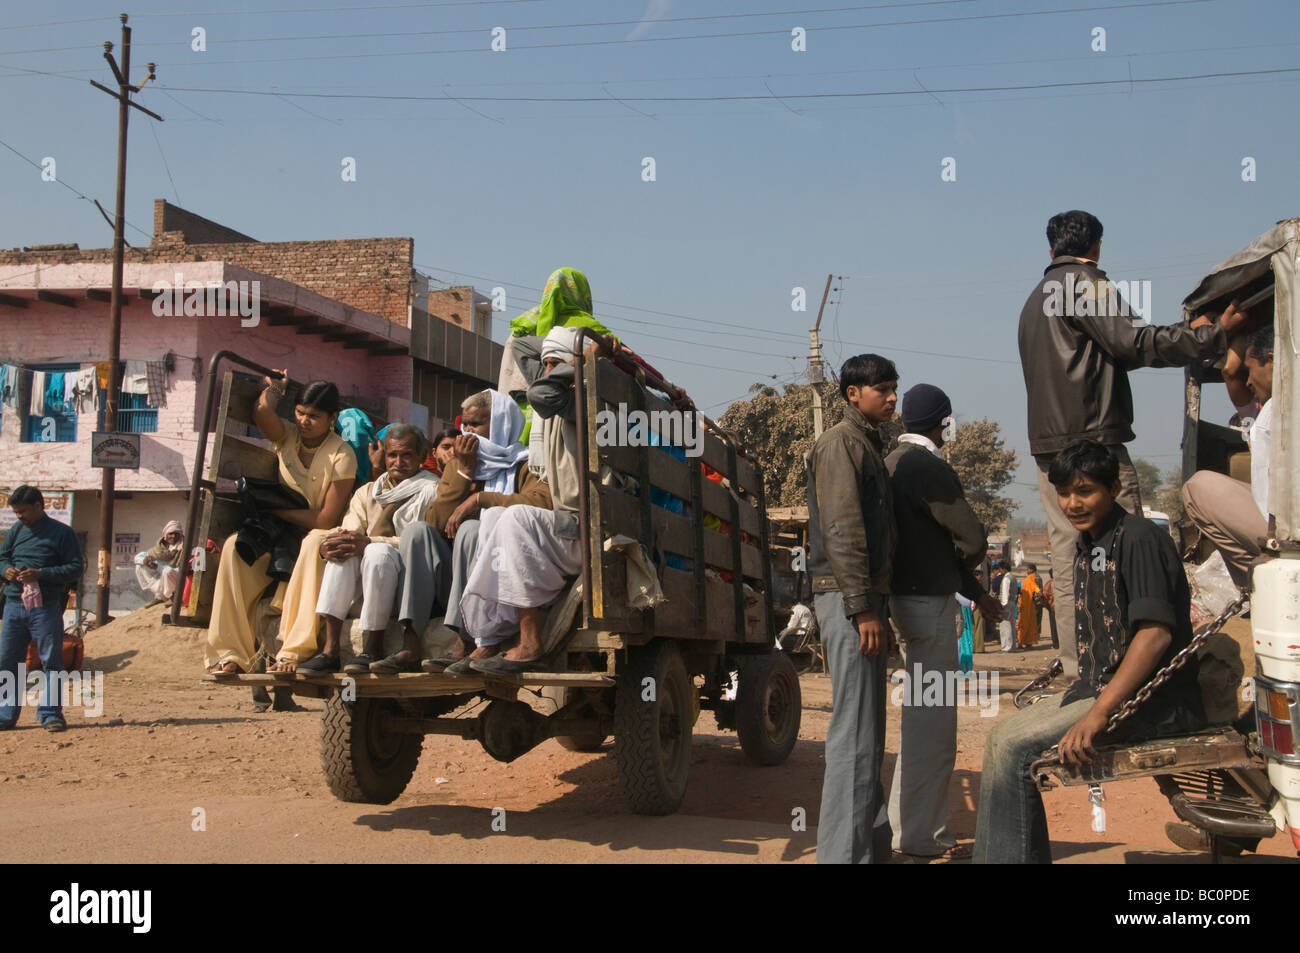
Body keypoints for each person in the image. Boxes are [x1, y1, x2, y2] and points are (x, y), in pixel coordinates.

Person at [1019, 210, 1248, 676]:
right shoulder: (1084, 285)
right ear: (1098, 246)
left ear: (1050, 251)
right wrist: (1210, 335)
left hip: (1049, 451)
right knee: (1129, 550)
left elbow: (1112, 350)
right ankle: (1132, 670)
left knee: (1069, 564)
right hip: (1094, 447)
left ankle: (1080, 669)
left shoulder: (1033, 302)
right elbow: (1135, 343)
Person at [973, 441, 1205, 863]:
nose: (1072, 503)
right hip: (1095, 690)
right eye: (1064, 492)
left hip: (1148, 703)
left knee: (1014, 750)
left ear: (1114, 488)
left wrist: (1098, 715)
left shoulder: (1139, 540)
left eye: (1085, 491)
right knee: (999, 736)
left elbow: (1154, 636)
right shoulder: (1089, 543)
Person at [884, 382, 1001, 859]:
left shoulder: (890, 464)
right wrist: (965, 574)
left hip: (898, 603)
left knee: (918, 721)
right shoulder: (929, 467)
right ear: (944, 422)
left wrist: (973, 592)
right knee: (933, 729)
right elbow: (971, 540)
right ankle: (920, 837)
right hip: (930, 608)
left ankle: (905, 830)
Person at [806, 354, 899, 864]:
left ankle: (871, 848)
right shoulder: (841, 443)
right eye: (881, 389)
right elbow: (842, 529)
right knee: (856, 736)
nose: (891, 397)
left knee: (867, 731)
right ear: (851, 394)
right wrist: (863, 608)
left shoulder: (864, 443)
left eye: (893, 388)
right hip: (849, 601)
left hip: (859, 600)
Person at [455, 327, 590, 675]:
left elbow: (543, 390)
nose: (546, 371)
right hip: (562, 526)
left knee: (514, 517)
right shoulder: (558, 394)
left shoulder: (581, 399)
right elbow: (519, 346)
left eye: (555, 364)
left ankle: (530, 642)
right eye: (544, 364)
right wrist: (571, 351)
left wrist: (585, 362)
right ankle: (488, 637)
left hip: (582, 528)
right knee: (495, 519)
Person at [205, 374, 356, 676]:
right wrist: (275, 389)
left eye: (314, 416)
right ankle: (232, 654)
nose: (304, 421)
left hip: (314, 537)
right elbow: (262, 413)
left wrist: (276, 511)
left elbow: (325, 518)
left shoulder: (342, 454)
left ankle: (293, 651)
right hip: (279, 535)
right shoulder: (286, 435)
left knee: (317, 540)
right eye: (300, 412)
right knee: (236, 547)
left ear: (332, 418)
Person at [297, 425, 441, 675]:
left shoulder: (431, 490)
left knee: (378, 553)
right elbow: (352, 531)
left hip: (407, 584)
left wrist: (371, 542)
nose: (398, 462)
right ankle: (330, 649)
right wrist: (337, 543)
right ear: (384, 456)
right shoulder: (368, 491)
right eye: (392, 455)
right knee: (344, 553)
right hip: (364, 583)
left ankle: (373, 646)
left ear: (421, 456)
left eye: (406, 455)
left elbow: (421, 542)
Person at [1182, 322, 1274, 590]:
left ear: (1271, 361)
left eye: (1251, 370)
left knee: (1197, 488)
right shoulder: (1264, 411)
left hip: (1287, 529)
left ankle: (1262, 584)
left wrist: (1224, 328)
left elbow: (1230, 371)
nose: (1247, 380)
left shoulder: (1269, 413)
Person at [0, 486, 83, 732]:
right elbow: (2, 558)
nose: (19, 516)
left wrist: (42, 574)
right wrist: (6, 570)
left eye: (23, 511)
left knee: (51, 661)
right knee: (7, 662)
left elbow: (75, 568)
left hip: (45, 607)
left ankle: (50, 714)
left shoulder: (62, 534)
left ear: (39, 506)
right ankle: (5, 715)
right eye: (15, 512)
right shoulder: (16, 531)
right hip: (14, 606)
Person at [135, 520, 184, 604]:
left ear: (180, 535)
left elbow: (179, 569)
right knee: (140, 566)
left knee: (167, 571)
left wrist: (158, 567)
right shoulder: (160, 548)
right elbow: (138, 557)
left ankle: (171, 596)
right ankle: (159, 595)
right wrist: (146, 561)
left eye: (176, 534)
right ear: (165, 535)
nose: (173, 536)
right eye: (171, 533)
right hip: (162, 578)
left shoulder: (183, 547)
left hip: (177, 579)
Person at [995, 561, 1019, 652]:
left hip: (1006, 604)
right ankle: (1012, 646)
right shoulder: (1013, 577)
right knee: (1012, 624)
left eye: (1000, 569)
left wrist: (1002, 606)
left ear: (1004, 569)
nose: (1000, 571)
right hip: (1012, 602)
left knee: (1005, 625)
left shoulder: (1006, 579)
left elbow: (1005, 594)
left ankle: (1006, 647)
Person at [1017, 563, 1041, 648]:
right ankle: (1028, 641)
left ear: (1031, 570)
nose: (1027, 571)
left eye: (1027, 569)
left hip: (1027, 604)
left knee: (1024, 623)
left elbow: (1037, 590)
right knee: (1031, 623)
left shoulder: (1032, 579)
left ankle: (1022, 641)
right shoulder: (1033, 578)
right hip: (1030, 605)